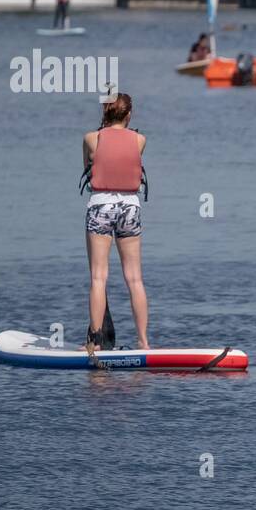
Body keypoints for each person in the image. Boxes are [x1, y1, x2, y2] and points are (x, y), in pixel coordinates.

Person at [81, 93, 149, 353]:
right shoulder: (140, 140)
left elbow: (88, 169)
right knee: (135, 279)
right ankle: (143, 341)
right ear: (129, 114)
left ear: (105, 112)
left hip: (100, 205)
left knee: (99, 277)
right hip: (130, 207)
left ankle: (94, 342)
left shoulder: (91, 138)